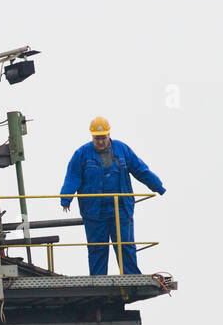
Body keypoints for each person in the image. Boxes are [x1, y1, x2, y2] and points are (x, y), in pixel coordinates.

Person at [59, 116, 165, 275]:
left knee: (125, 244)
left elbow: (140, 169)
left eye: (103, 138)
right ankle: (98, 280)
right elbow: (73, 176)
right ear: (92, 137)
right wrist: (66, 198)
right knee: (97, 248)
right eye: (97, 138)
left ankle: (131, 277)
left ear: (109, 135)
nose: (100, 141)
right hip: (94, 211)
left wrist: (157, 186)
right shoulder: (82, 154)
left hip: (120, 208)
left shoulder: (122, 150)